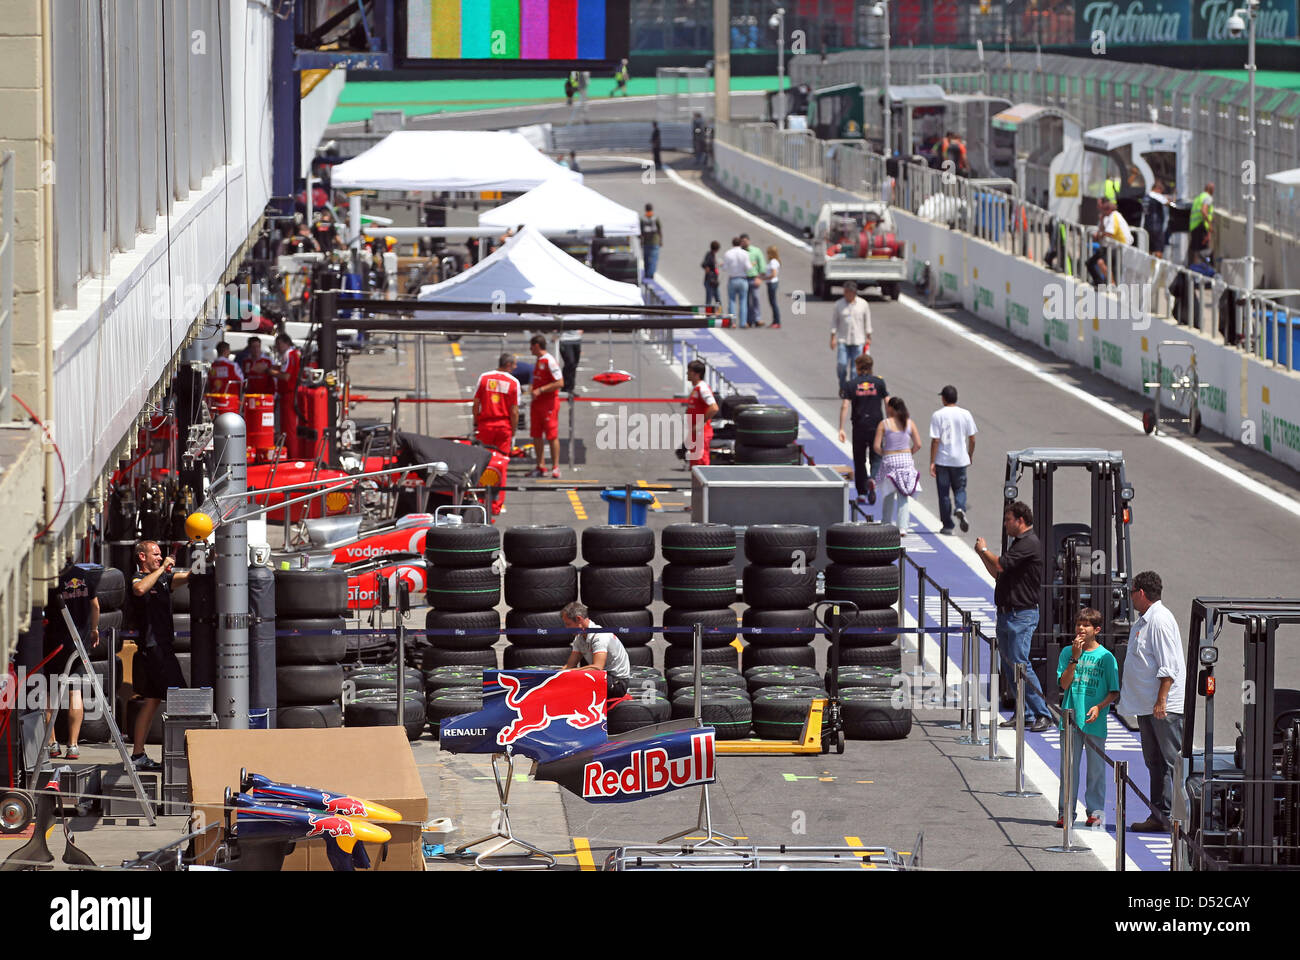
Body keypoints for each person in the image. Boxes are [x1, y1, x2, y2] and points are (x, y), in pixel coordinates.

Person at [1117, 570, 1186, 832]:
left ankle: (1176, 817)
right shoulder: (1145, 620)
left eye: (1132, 592)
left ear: (1141, 593)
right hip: (1149, 706)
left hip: (1162, 708)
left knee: (1171, 762)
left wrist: (1161, 701)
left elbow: (1169, 667)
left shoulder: (1159, 621)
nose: (1131, 598)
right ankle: (1159, 815)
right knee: (1154, 762)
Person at [974, 502, 1052, 733]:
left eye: (1008, 519)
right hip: (1008, 614)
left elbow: (998, 563)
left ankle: (1042, 713)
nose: (1005, 524)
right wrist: (982, 556)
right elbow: (998, 572)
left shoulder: (1029, 543)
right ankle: (1024, 713)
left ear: (1020, 520)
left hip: (1021, 615)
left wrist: (983, 549)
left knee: (1020, 664)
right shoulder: (1018, 544)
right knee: (1009, 668)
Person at [128, 540, 191, 770]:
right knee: (182, 699)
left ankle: (137, 756)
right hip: (154, 649)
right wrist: (163, 567)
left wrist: (207, 560)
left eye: (160, 554)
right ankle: (183, 754)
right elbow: (140, 589)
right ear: (142, 557)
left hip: (163, 646)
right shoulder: (137, 578)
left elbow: (189, 577)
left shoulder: (164, 579)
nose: (159, 556)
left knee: (153, 701)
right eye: (154, 554)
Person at [1056, 607, 1121, 829]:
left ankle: (1095, 812)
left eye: (1086, 625)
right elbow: (1063, 684)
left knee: (1096, 770)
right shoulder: (1067, 653)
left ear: (1097, 629)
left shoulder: (1106, 657)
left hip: (1095, 720)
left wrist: (1100, 707)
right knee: (1069, 768)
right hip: (1071, 717)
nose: (1081, 629)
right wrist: (1074, 659)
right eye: (1078, 624)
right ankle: (1065, 811)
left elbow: (1114, 690)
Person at [42, 560, 101, 761]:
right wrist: (94, 630)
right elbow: (95, 605)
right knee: (75, 691)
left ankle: (52, 744)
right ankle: (73, 746)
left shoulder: (50, 578)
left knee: (49, 692)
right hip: (79, 642)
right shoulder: (85, 576)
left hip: (55, 643)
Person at [838, 353, 888, 506]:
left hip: (859, 426)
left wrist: (841, 428)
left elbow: (845, 405)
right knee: (877, 456)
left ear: (858, 368)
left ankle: (861, 493)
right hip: (877, 426)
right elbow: (887, 402)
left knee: (859, 460)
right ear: (871, 368)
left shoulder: (851, 384)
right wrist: (890, 423)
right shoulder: (879, 383)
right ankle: (872, 477)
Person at [928, 385, 977, 535]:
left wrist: (932, 461)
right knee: (960, 488)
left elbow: (935, 440)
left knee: (943, 493)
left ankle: (947, 525)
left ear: (943, 398)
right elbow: (972, 438)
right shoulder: (965, 414)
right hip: (960, 459)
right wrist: (970, 454)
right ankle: (960, 507)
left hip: (943, 459)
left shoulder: (938, 415)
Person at [559, 602, 631, 700]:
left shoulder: (600, 636)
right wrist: (554, 677)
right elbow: (569, 666)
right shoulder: (579, 639)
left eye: (568, 624)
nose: (566, 628)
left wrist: (570, 672)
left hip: (618, 682)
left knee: (576, 686)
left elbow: (597, 668)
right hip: (603, 677)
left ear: (579, 619)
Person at [873, 397, 922, 535]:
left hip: (890, 461)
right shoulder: (909, 423)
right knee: (903, 494)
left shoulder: (884, 424)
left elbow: (876, 446)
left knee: (888, 492)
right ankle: (903, 527)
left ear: (891, 408)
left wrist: (885, 453)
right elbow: (918, 444)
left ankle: (886, 522)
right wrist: (908, 453)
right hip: (906, 461)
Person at [527, 334, 563, 479]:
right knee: (536, 435)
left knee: (552, 435)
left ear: (536, 346)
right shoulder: (539, 361)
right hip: (537, 403)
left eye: (531, 346)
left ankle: (555, 467)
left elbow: (560, 382)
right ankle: (540, 466)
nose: (530, 349)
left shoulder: (549, 361)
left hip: (549, 403)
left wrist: (541, 390)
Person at [830, 280, 872, 394]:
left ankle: (852, 391)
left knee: (855, 369)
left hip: (858, 341)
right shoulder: (839, 304)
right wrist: (833, 337)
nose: (845, 294)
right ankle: (843, 385)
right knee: (842, 365)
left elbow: (867, 321)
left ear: (853, 292)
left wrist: (868, 336)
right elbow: (834, 322)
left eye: (848, 292)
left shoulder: (863, 304)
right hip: (843, 340)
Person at [1086, 199, 1132, 287]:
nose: (1100, 209)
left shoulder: (1114, 216)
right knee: (1090, 262)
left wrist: (1099, 235)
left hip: (1120, 247)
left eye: (1103, 209)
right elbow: (1101, 232)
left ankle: (1112, 284)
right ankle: (1101, 282)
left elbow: (1108, 233)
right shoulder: (1106, 217)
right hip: (1110, 247)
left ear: (1108, 209)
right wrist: (1102, 220)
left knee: (1100, 262)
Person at [684, 359, 719, 468]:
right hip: (695, 432)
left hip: (701, 432)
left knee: (701, 464)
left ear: (696, 374)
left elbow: (714, 408)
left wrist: (699, 424)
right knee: (695, 464)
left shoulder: (703, 388)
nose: (687, 374)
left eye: (689, 371)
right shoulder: (696, 388)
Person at [272, 332, 301, 441]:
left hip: (289, 394)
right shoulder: (295, 353)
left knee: (289, 428)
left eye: (279, 344)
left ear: (287, 343)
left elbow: (286, 376)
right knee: (289, 426)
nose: (278, 347)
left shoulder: (288, 354)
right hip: (292, 393)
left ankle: (291, 454)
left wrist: (268, 371)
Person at [721, 237, 751, 329]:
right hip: (743, 279)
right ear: (740, 244)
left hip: (733, 279)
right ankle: (743, 322)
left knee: (732, 301)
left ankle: (732, 322)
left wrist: (722, 265)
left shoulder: (728, 253)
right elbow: (748, 267)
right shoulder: (745, 253)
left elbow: (724, 268)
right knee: (743, 301)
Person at [741, 234, 767, 327]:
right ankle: (748, 320)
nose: (744, 243)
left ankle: (757, 319)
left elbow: (762, 266)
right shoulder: (740, 252)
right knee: (746, 301)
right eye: (742, 241)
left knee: (756, 299)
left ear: (748, 241)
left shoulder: (756, 251)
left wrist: (759, 278)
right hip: (743, 279)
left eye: (745, 241)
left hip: (754, 278)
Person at [1143, 179, 1170, 259]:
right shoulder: (1156, 196)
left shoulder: (1146, 196)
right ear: (1158, 189)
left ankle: (1149, 269)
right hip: (1157, 227)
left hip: (1147, 226)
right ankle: (1158, 270)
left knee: (1150, 249)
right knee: (1159, 250)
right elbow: (1167, 203)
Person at [1188, 182, 1214, 264]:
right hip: (1201, 226)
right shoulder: (1207, 197)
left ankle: (1195, 268)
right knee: (1203, 251)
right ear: (1211, 190)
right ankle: (1203, 269)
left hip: (1194, 226)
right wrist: (1210, 225)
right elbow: (1204, 210)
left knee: (1196, 250)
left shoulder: (1198, 198)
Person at [640, 203, 663, 280]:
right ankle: (651, 274)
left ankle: (646, 273)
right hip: (654, 242)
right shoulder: (655, 218)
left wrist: (641, 241)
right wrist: (660, 241)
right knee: (653, 259)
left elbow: (640, 232)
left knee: (646, 259)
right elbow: (659, 230)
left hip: (646, 242)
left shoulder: (643, 219)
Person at [558, 328, 583, 395]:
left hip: (577, 339)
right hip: (565, 340)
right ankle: (565, 386)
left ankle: (570, 388)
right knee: (570, 362)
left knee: (574, 365)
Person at [764, 245, 782, 328]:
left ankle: (777, 321)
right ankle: (775, 321)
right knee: (772, 303)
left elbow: (773, 274)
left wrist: (763, 278)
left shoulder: (773, 262)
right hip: (771, 283)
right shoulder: (774, 261)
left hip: (772, 283)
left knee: (773, 303)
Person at [701, 240, 721, 306]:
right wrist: (708, 270)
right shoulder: (710, 256)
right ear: (717, 249)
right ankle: (709, 316)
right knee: (710, 300)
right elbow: (704, 264)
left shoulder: (711, 255)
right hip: (710, 281)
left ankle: (718, 315)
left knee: (717, 300)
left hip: (713, 281)